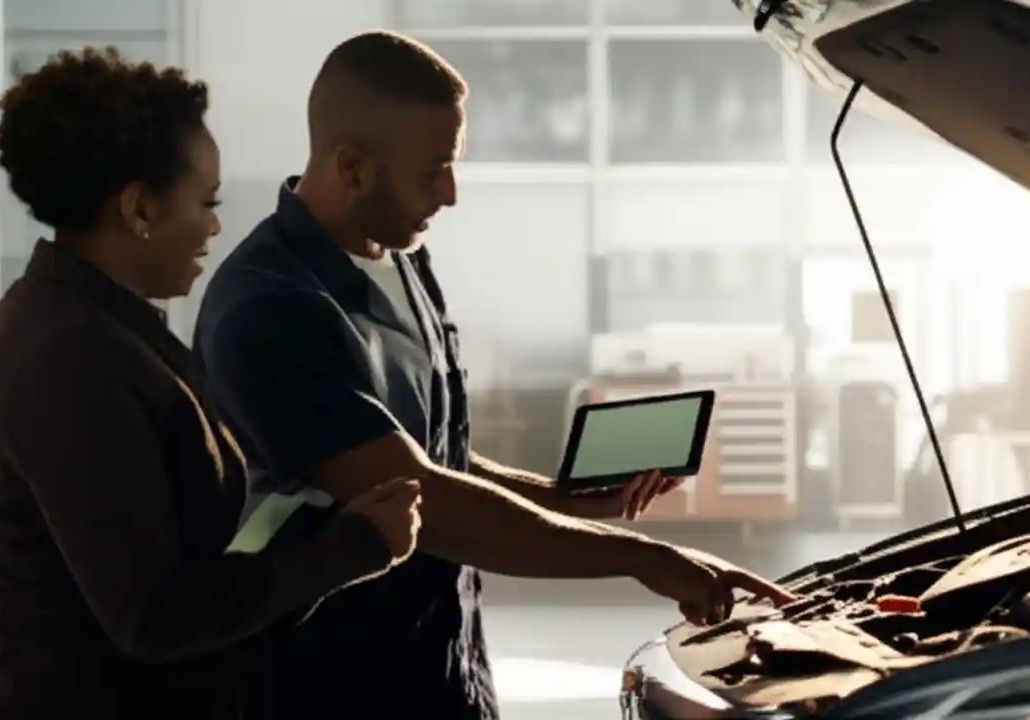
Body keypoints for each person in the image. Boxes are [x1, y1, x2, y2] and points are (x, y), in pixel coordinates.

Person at [193, 31, 796, 720]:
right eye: (433, 171)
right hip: (332, 685)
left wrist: (567, 503)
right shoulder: (270, 308)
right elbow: (420, 494)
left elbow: (436, 455)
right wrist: (644, 559)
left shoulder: (402, 259)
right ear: (352, 167)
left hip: (442, 665)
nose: (450, 194)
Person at [0, 47, 425, 720]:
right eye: (206, 203)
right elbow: (152, 616)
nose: (216, 227)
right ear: (139, 209)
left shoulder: (92, 324)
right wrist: (353, 548)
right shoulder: (73, 360)